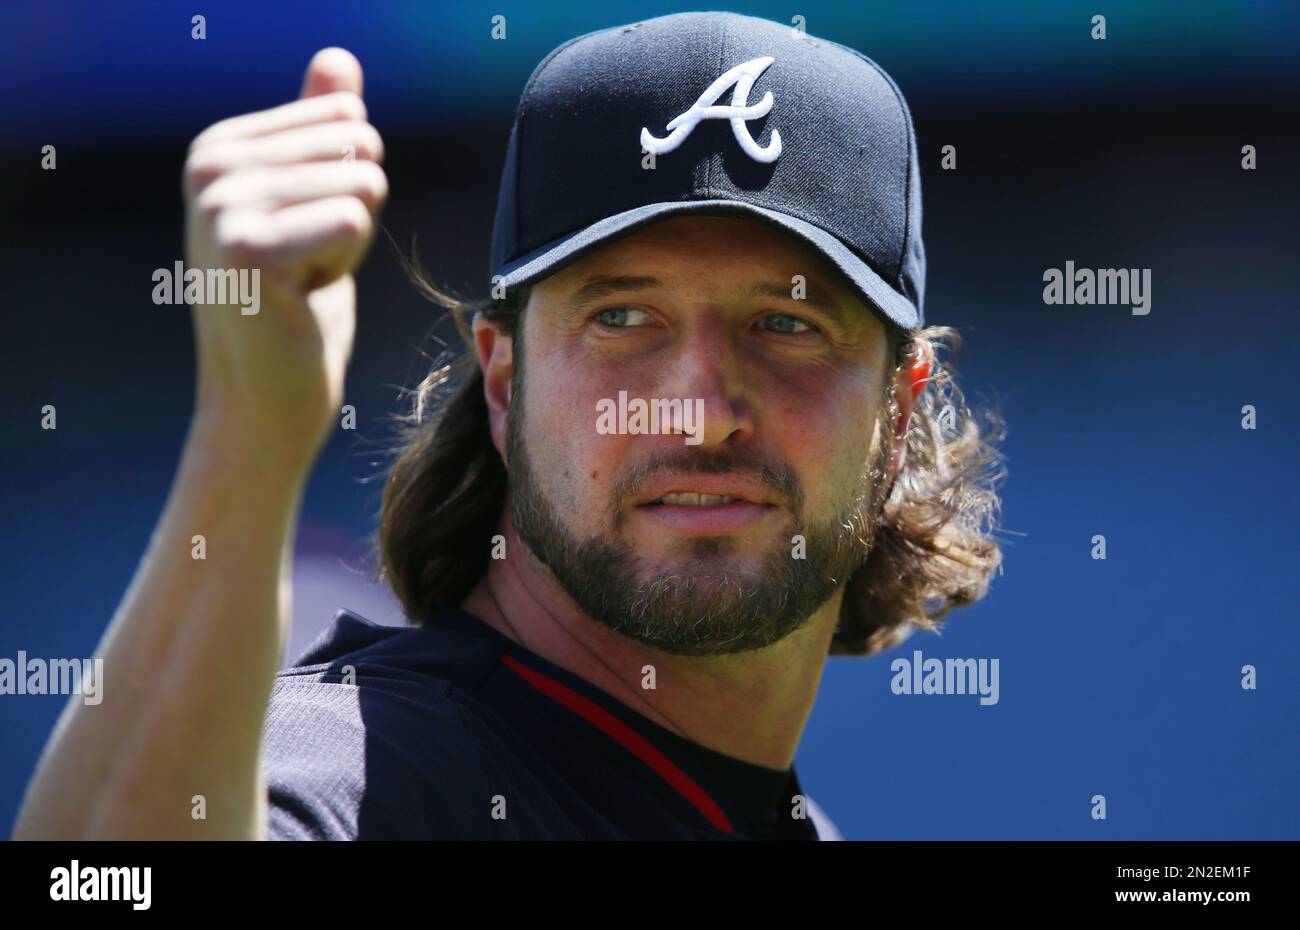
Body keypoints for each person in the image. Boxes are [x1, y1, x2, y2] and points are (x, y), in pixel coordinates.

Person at [15, 11, 1003, 841]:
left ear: (898, 402)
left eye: (784, 325)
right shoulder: (359, 774)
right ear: (502, 383)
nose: (700, 412)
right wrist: (250, 433)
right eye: (621, 317)